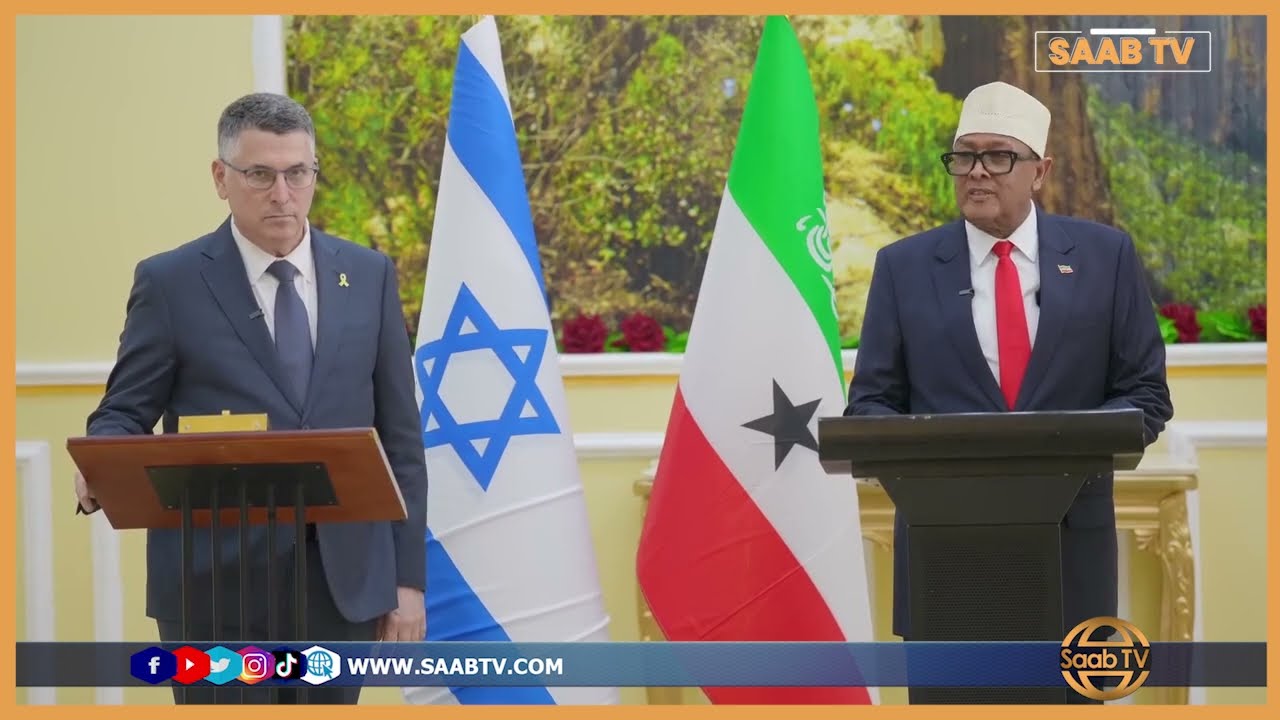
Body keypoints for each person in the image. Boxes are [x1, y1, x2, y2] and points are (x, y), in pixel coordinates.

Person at [74, 92, 428, 704]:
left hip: (341, 584)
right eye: (260, 174)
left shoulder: (370, 275)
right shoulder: (170, 282)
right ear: (221, 177)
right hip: (214, 586)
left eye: (298, 173)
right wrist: (100, 458)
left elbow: (402, 440)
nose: (282, 194)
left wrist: (407, 581)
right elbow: (124, 410)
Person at [846, 81, 1173, 652]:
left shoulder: (1105, 257)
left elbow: (1146, 394)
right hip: (945, 554)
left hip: (1070, 551)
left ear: (1040, 172)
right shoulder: (903, 267)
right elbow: (871, 404)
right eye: (964, 156)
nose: (977, 172)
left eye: (998, 156)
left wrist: (1068, 448)